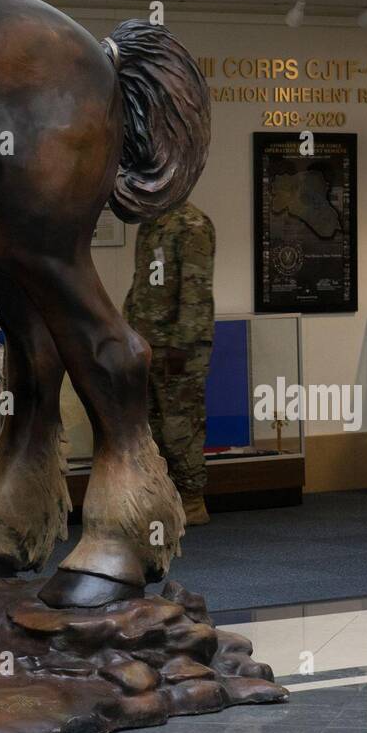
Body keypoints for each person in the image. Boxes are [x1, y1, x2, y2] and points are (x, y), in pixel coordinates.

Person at [123, 200, 216, 526]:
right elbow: (142, 285)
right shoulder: (150, 224)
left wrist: (182, 346)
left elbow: (195, 292)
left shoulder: (192, 224)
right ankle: (164, 496)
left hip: (180, 348)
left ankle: (192, 500)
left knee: (181, 426)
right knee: (152, 424)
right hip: (148, 343)